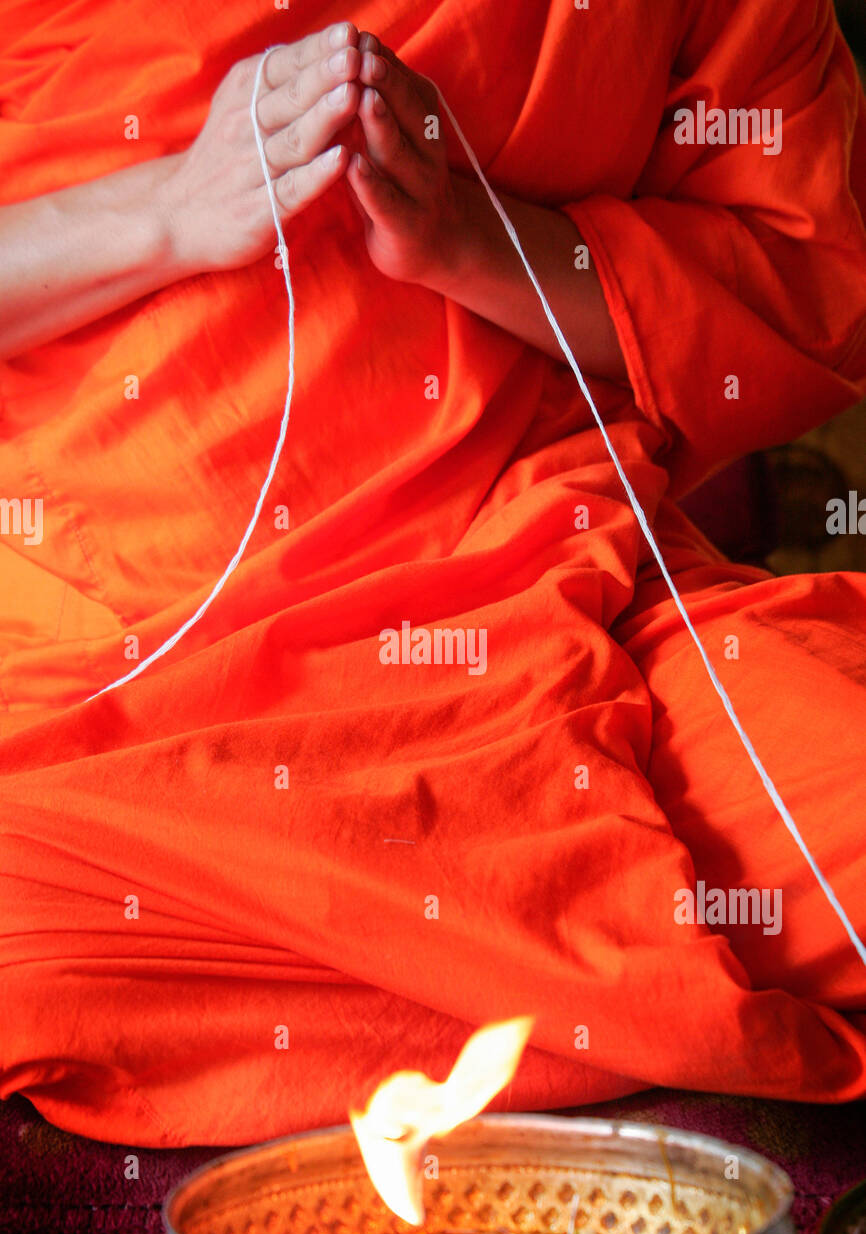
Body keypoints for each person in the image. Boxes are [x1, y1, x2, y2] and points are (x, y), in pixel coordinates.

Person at [1, 0, 865, 1147]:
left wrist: (472, 235)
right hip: (113, 671)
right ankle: (555, 973)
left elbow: (804, 301)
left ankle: (444, 965)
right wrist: (172, 210)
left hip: (556, 605)